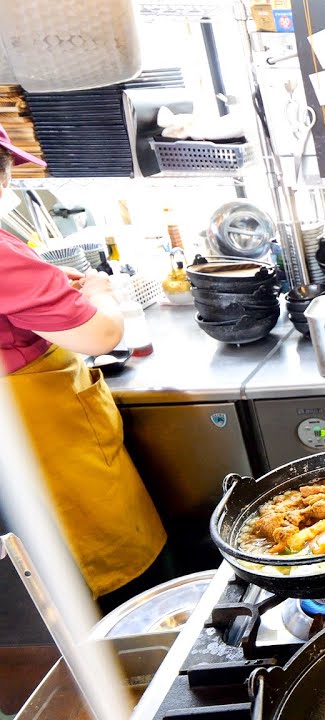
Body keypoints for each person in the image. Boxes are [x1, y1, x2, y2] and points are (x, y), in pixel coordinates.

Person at [0, 126, 167, 601]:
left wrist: (48, 284)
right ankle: (138, 652)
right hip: (38, 431)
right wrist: (98, 295)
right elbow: (101, 334)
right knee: (103, 557)